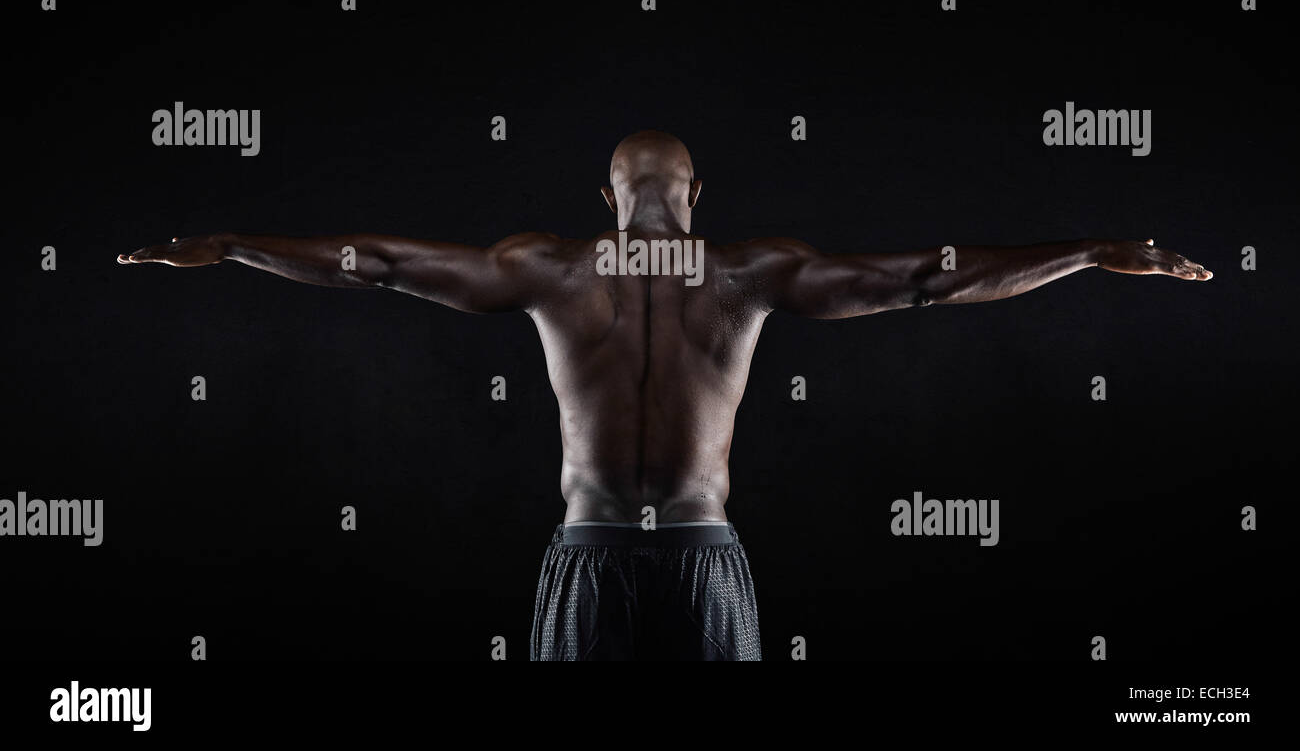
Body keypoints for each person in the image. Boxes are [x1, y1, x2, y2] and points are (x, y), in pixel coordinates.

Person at [118, 129, 1211, 660]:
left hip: (593, 545)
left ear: (607, 194)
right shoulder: (750, 271)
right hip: (698, 546)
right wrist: (1084, 249)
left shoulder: (545, 265)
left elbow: (376, 261)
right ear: (695, 195)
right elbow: (928, 276)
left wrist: (229, 245)